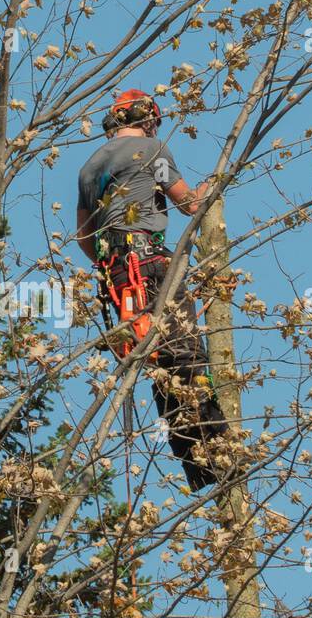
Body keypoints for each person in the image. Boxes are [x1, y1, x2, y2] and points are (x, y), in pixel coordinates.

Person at [76, 88, 227, 490]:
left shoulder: (90, 168)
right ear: (147, 120)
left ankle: (198, 469)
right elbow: (188, 205)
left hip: (118, 276)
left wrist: (112, 261)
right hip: (151, 265)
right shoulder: (152, 149)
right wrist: (211, 188)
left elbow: (83, 237)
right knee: (187, 356)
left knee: (161, 366)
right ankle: (221, 455)